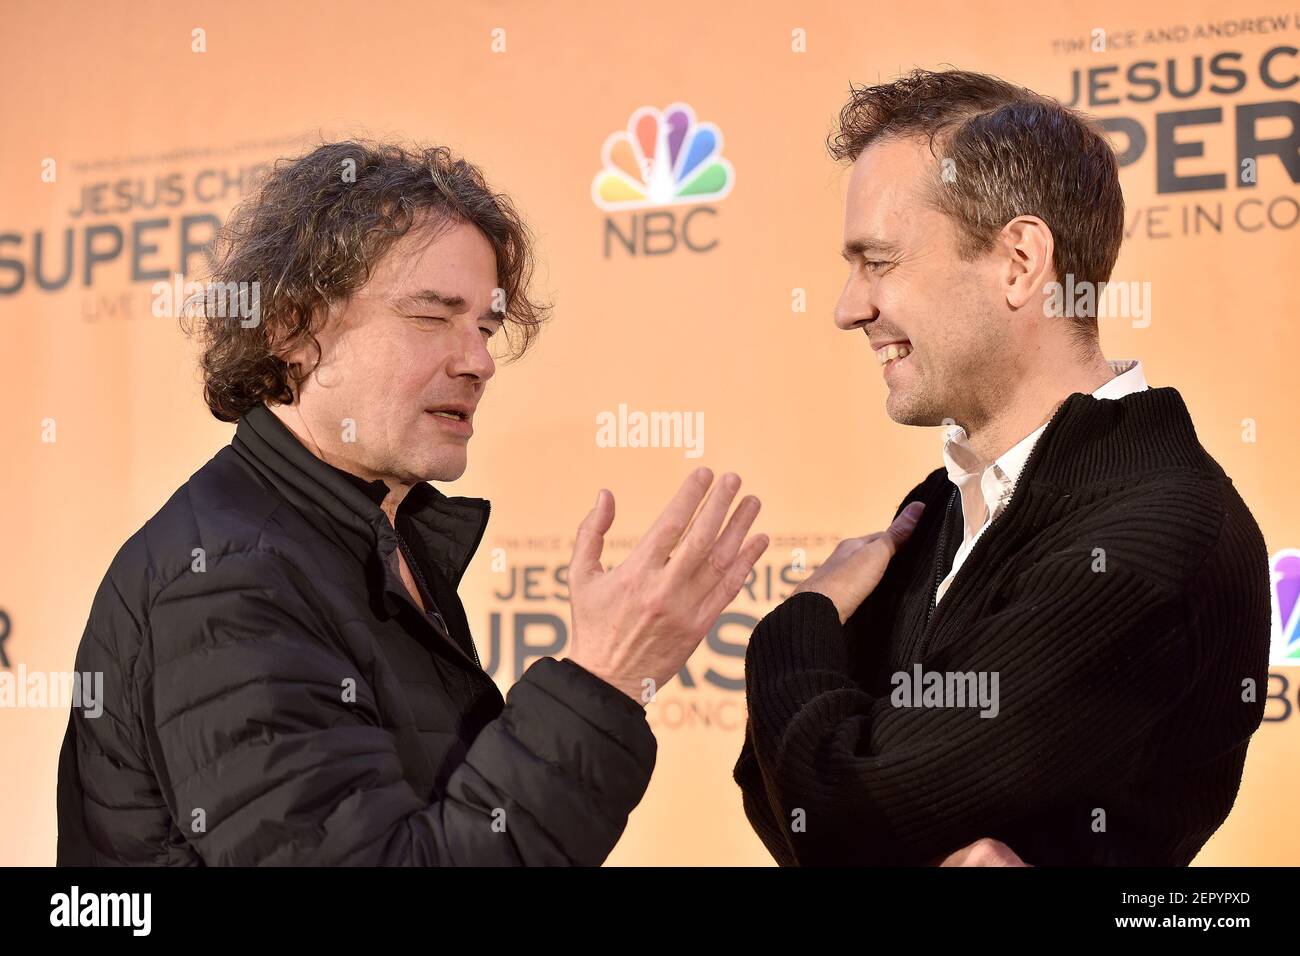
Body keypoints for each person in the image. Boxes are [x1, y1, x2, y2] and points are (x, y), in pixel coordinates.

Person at [56, 141, 768, 866]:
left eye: (486, 328)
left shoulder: (366, 533)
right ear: (293, 332)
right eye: (432, 318)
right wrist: (602, 679)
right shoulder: (229, 580)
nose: (480, 361)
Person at [734, 69, 1270, 866]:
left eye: (878, 261)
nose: (848, 307)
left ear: (1019, 261)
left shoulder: (1156, 531)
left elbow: (852, 805)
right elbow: (778, 798)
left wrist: (797, 623)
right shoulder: (944, 504)